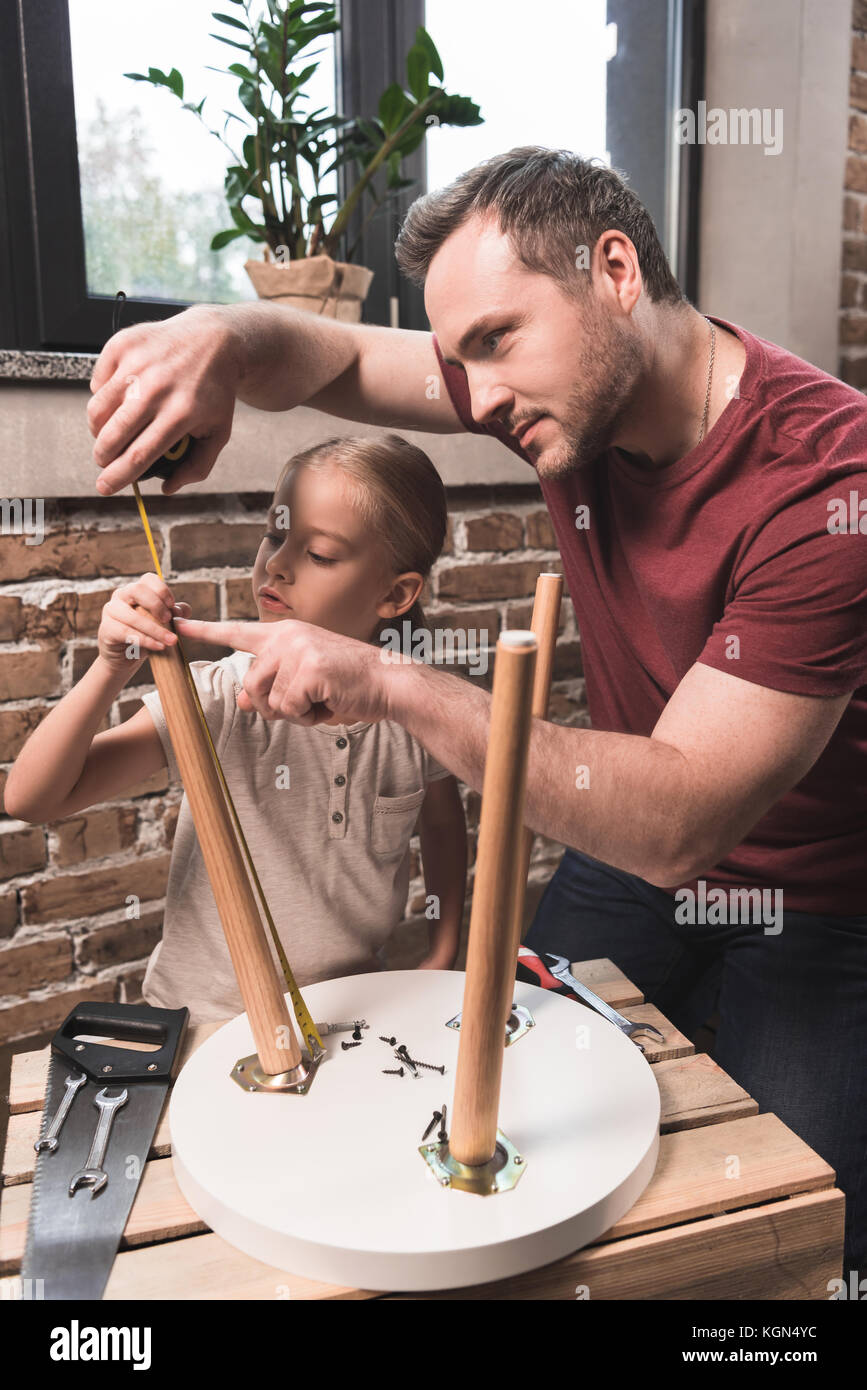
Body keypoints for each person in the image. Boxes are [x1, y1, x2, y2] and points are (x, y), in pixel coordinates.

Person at [84, 146, 866, 1275]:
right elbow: (340, 352)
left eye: (496, 339)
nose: (479, 396)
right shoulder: (557, 393)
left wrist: (388, 678)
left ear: (613, 271)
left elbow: (684, 815)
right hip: (627, 856)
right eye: (459, 358)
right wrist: (220, 335)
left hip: (816, 898)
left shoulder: (828, 484)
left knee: (777, 1241)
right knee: (485, 1131)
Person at [5, 435, 467, 1022]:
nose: (276, 563)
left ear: (395, 594)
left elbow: (443, 817)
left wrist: (444, 944)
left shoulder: (415, 704)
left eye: (319, 554)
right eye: (275, 535)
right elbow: (31, 798)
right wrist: (109, 668)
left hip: (348, 1015)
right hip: (205, 1022)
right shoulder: (218, 695)